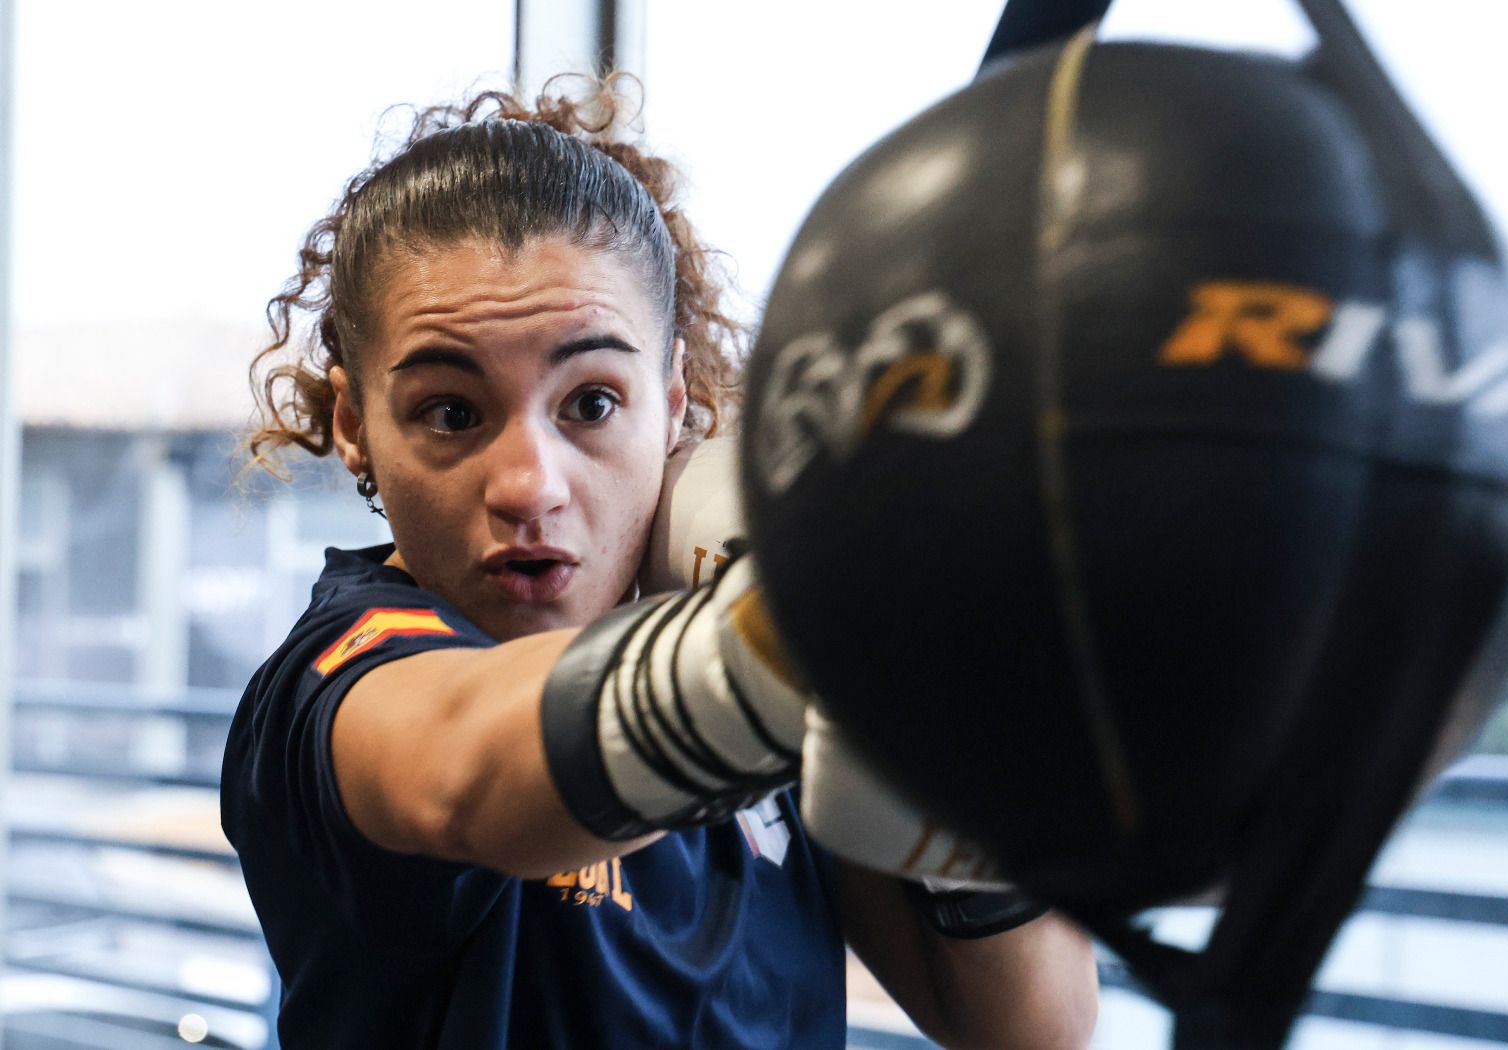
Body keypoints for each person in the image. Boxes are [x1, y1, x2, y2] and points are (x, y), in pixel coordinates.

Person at [223, 79, 1098, 1049]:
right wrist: (815, 623)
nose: (529, 485)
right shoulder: (338, 684)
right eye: (451, 413)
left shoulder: (756, 653)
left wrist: (958, 733)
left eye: (591, 403)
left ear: (674, 403)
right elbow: (472, 769)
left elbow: (1033, 1031)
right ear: (354, 425)